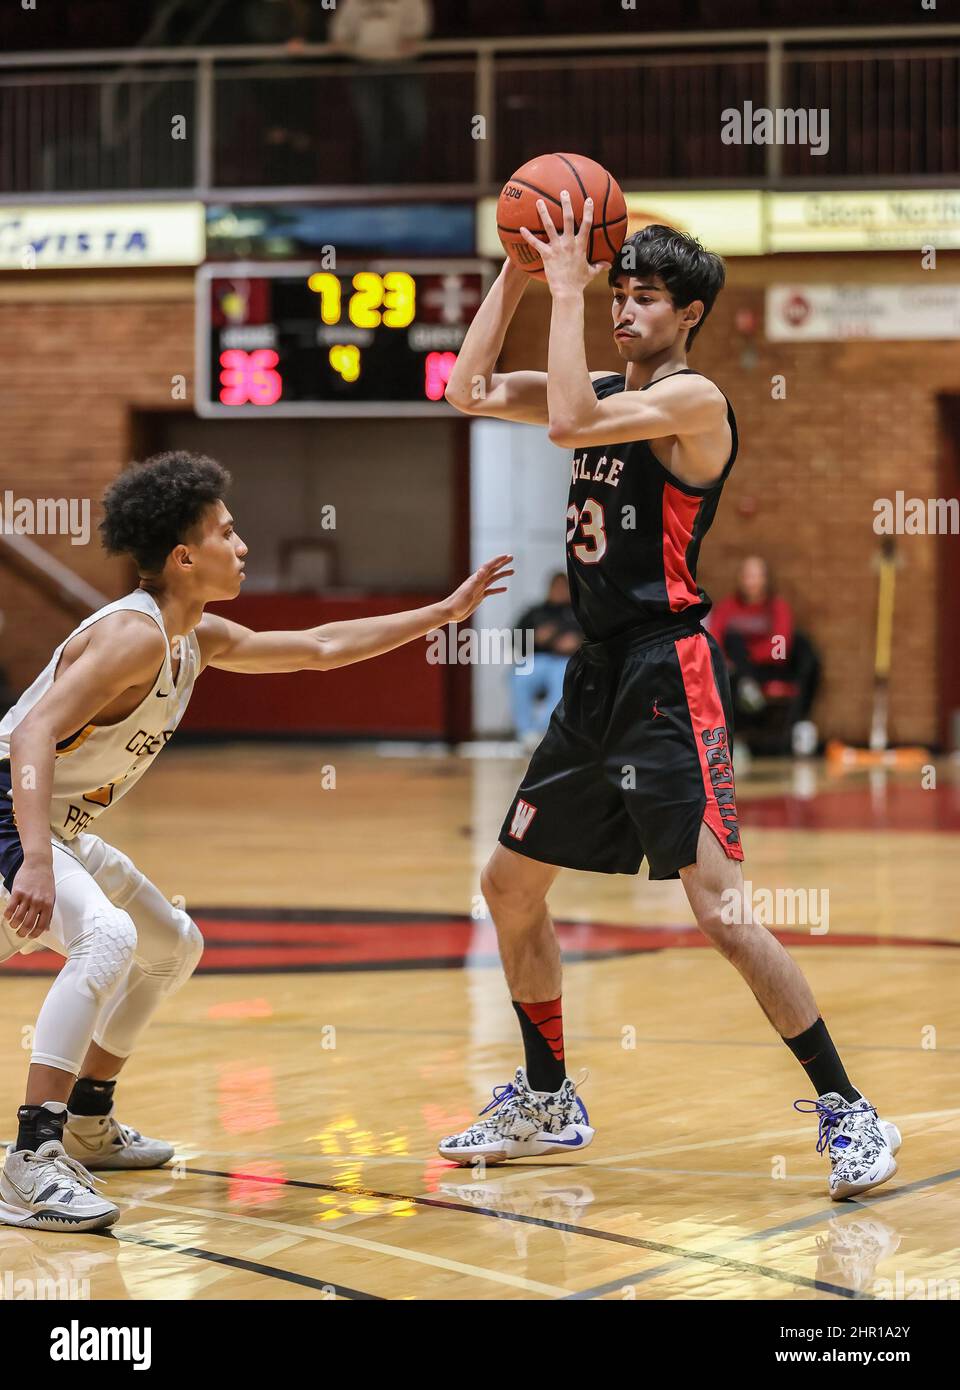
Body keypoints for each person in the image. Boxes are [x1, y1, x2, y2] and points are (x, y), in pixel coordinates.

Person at [441, 209, 901, 1199]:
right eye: (618, 292)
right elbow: (466, 389)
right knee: (509, 888)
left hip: (668, 670)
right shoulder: (601, 387)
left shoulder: (694, 400)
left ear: (689, 313)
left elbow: (566, 423)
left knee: (723, 912)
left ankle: (848, 1107)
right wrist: (517, 276)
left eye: (644, 296)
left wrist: (564, 290)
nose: (624, 309)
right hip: (596, 676)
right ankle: (549, 1093)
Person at [0, 452, 512, 1232]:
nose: (242, 546)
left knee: (172, 946)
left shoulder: (191, 635)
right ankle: (31, 1158)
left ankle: (86, 1124)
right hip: (11, 813)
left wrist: (440, 614)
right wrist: (35, 856)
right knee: (107, 937)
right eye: (228, 533)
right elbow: (31, 730)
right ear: (183, 557)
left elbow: (322, 646)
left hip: (53, 826)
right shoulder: (135, 638)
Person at [709, 555, 821, 755]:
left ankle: (749, 686)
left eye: (756, 576)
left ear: (765, 579)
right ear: (740, 578)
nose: (751, 581)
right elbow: (714, 642)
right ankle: (744, 693)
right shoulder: (727, 608)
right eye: (747, 575)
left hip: (768, 669)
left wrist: (745, 656)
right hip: (734, 672)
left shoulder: (777, 608)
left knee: (807, 652)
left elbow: (779, 648)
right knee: (732, 642)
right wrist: (733, 661)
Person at [329, 0, 431, 184]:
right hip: (364, 69)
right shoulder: (353, 3)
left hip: (403, 68)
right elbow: (339, 36)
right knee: (371, 131)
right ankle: (376, 186)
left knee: (413, 126)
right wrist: (361, 49)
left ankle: (407, 182)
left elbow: (417, 33)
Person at [512, 573, 582, 749]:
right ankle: (525, 733)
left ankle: (541, 730)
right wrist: (535, 637)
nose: (559, 591)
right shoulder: (535, 612)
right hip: (537, 659)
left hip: (564, 661)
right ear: (549, 589)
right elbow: (515, 638)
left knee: (564, 679)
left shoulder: (579, 612)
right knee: (518, 676)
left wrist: (577, 642)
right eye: (555, 587)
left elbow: (594, 639)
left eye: (563, 587)